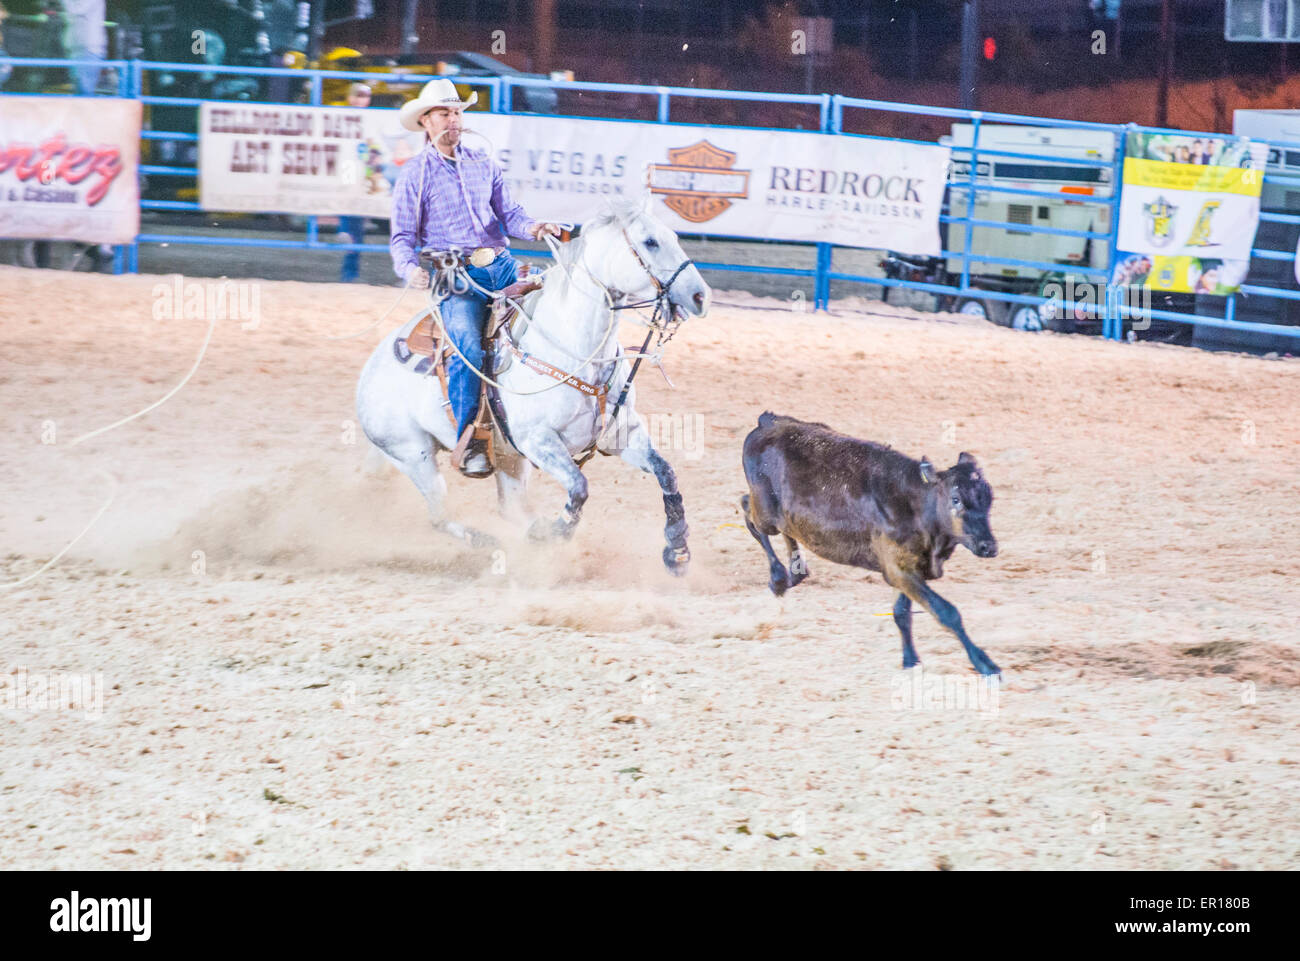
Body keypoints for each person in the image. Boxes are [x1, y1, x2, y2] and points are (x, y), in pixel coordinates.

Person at [389, 78, 561, 477]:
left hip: (500, 263)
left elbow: (509, 213)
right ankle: (471, 437)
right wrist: (409, 268)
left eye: (457, 112)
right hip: (455, 277)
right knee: (467, 346)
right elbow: (401, 238)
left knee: (553, 299)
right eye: (444, 113)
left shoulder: (483, 162)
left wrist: (535, 227)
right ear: (426, 121)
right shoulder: (415, 175)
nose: (453, 119)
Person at [338, 83, 373, 282]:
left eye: (365, 96)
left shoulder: (373, 119)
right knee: (348, 206)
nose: (361, 100)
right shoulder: (343, 117)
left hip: (365, 171)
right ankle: (343, 231)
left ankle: (350, 274)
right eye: (358, 96)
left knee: (357, 222)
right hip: (349, 167)